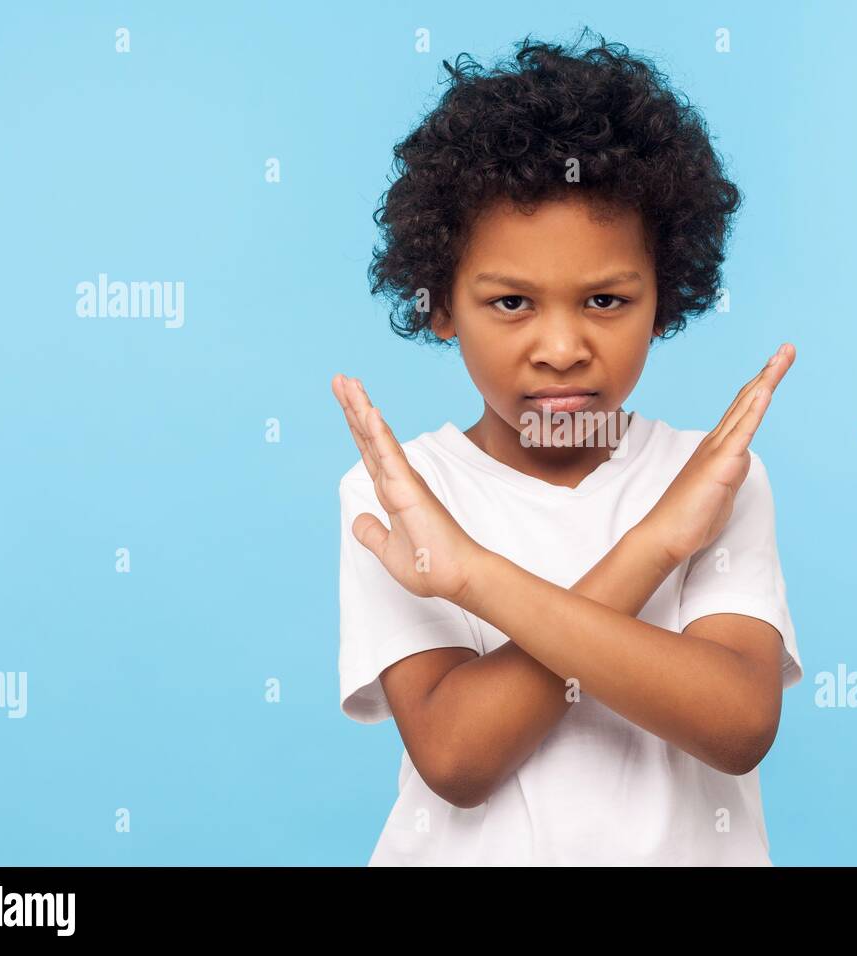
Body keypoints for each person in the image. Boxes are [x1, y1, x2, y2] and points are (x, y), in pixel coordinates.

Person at [332, 30, 802, 865]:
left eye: (605, 300)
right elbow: (457, 756)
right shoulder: (402, 493)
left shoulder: (716, 478)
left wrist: (482, 580)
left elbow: (737, 726)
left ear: (665, 299)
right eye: (511, 302)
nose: (560, 347)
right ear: (441, 307)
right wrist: (655, 546)